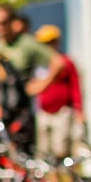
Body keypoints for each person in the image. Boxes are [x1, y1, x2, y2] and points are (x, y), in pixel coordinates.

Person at [27, 24, 83, 160]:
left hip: (61, 111)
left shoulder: (67, 62)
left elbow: (75, 87)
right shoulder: (39, 64)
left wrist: (79, 110)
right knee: (43, 151)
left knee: (61, 149)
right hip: (43, 111)